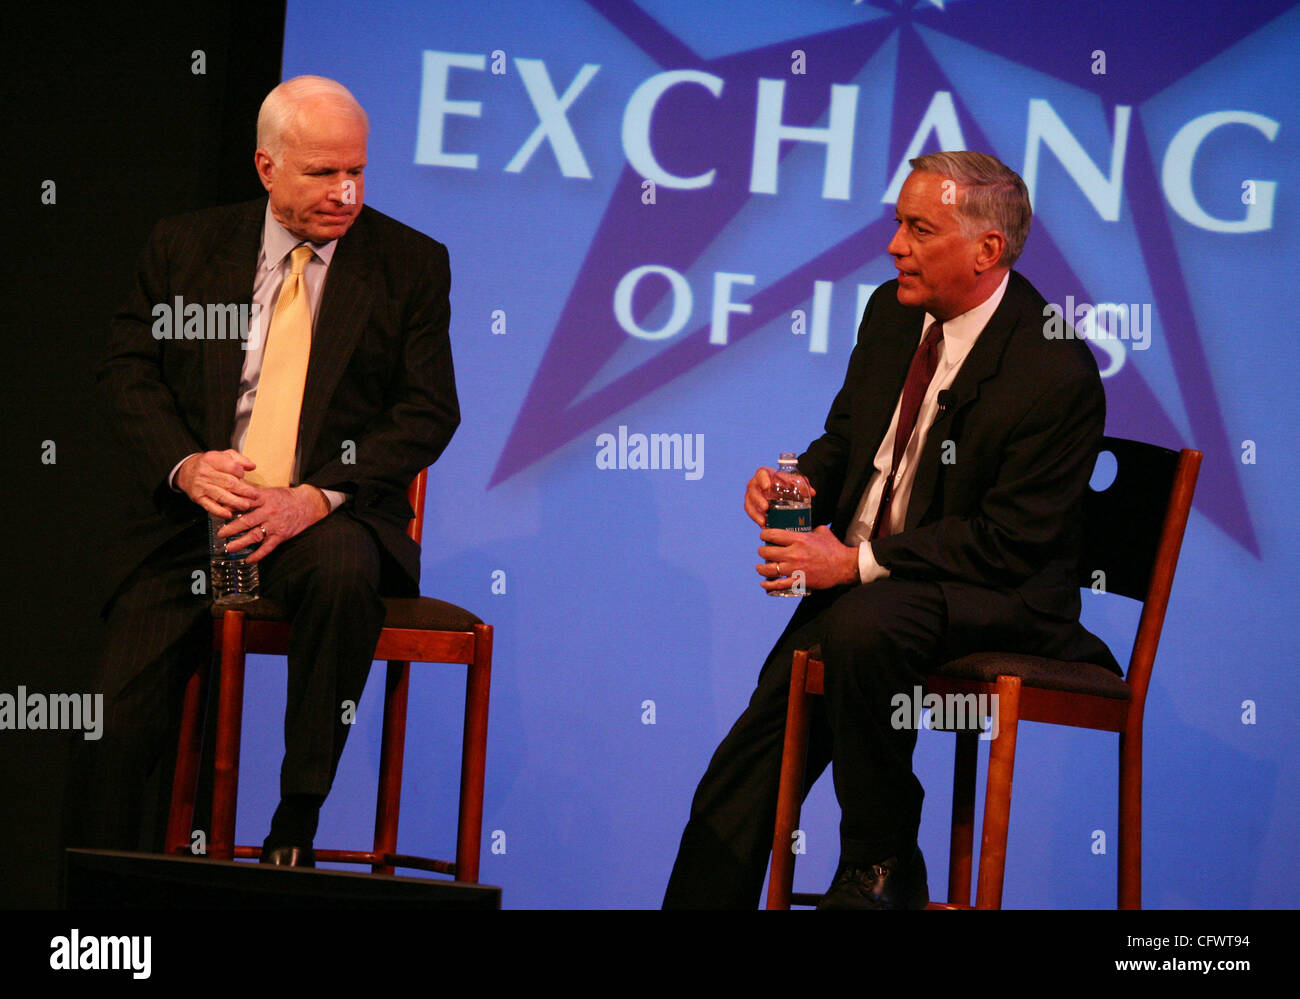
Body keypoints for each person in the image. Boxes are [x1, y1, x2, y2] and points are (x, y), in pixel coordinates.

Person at [664, 151, 1118, 909]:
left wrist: (857, 562)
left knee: (867, 623)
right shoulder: (890, 313)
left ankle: (878, 863)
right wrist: (803, 483)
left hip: (1000, 596)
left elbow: (1007, 540)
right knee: (747, 766)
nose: (894, 245)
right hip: (877, 595)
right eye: (896, 224)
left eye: (918, 228)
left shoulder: (1053, 368)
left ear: (986, 251)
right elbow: (848, 441)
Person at [85, 75, 459, 866]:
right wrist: (185, 466)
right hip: (194, 529)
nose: (345, 191)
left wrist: (317, 496)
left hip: (319, 523)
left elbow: (428, 410)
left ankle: (296, 819)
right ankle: (93, 922)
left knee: (343, 570)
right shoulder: (186, 246)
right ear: (266, 167)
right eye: (322, 173)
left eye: (356, 169)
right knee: (108, 731)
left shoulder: (410, 265)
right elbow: (127, 370)